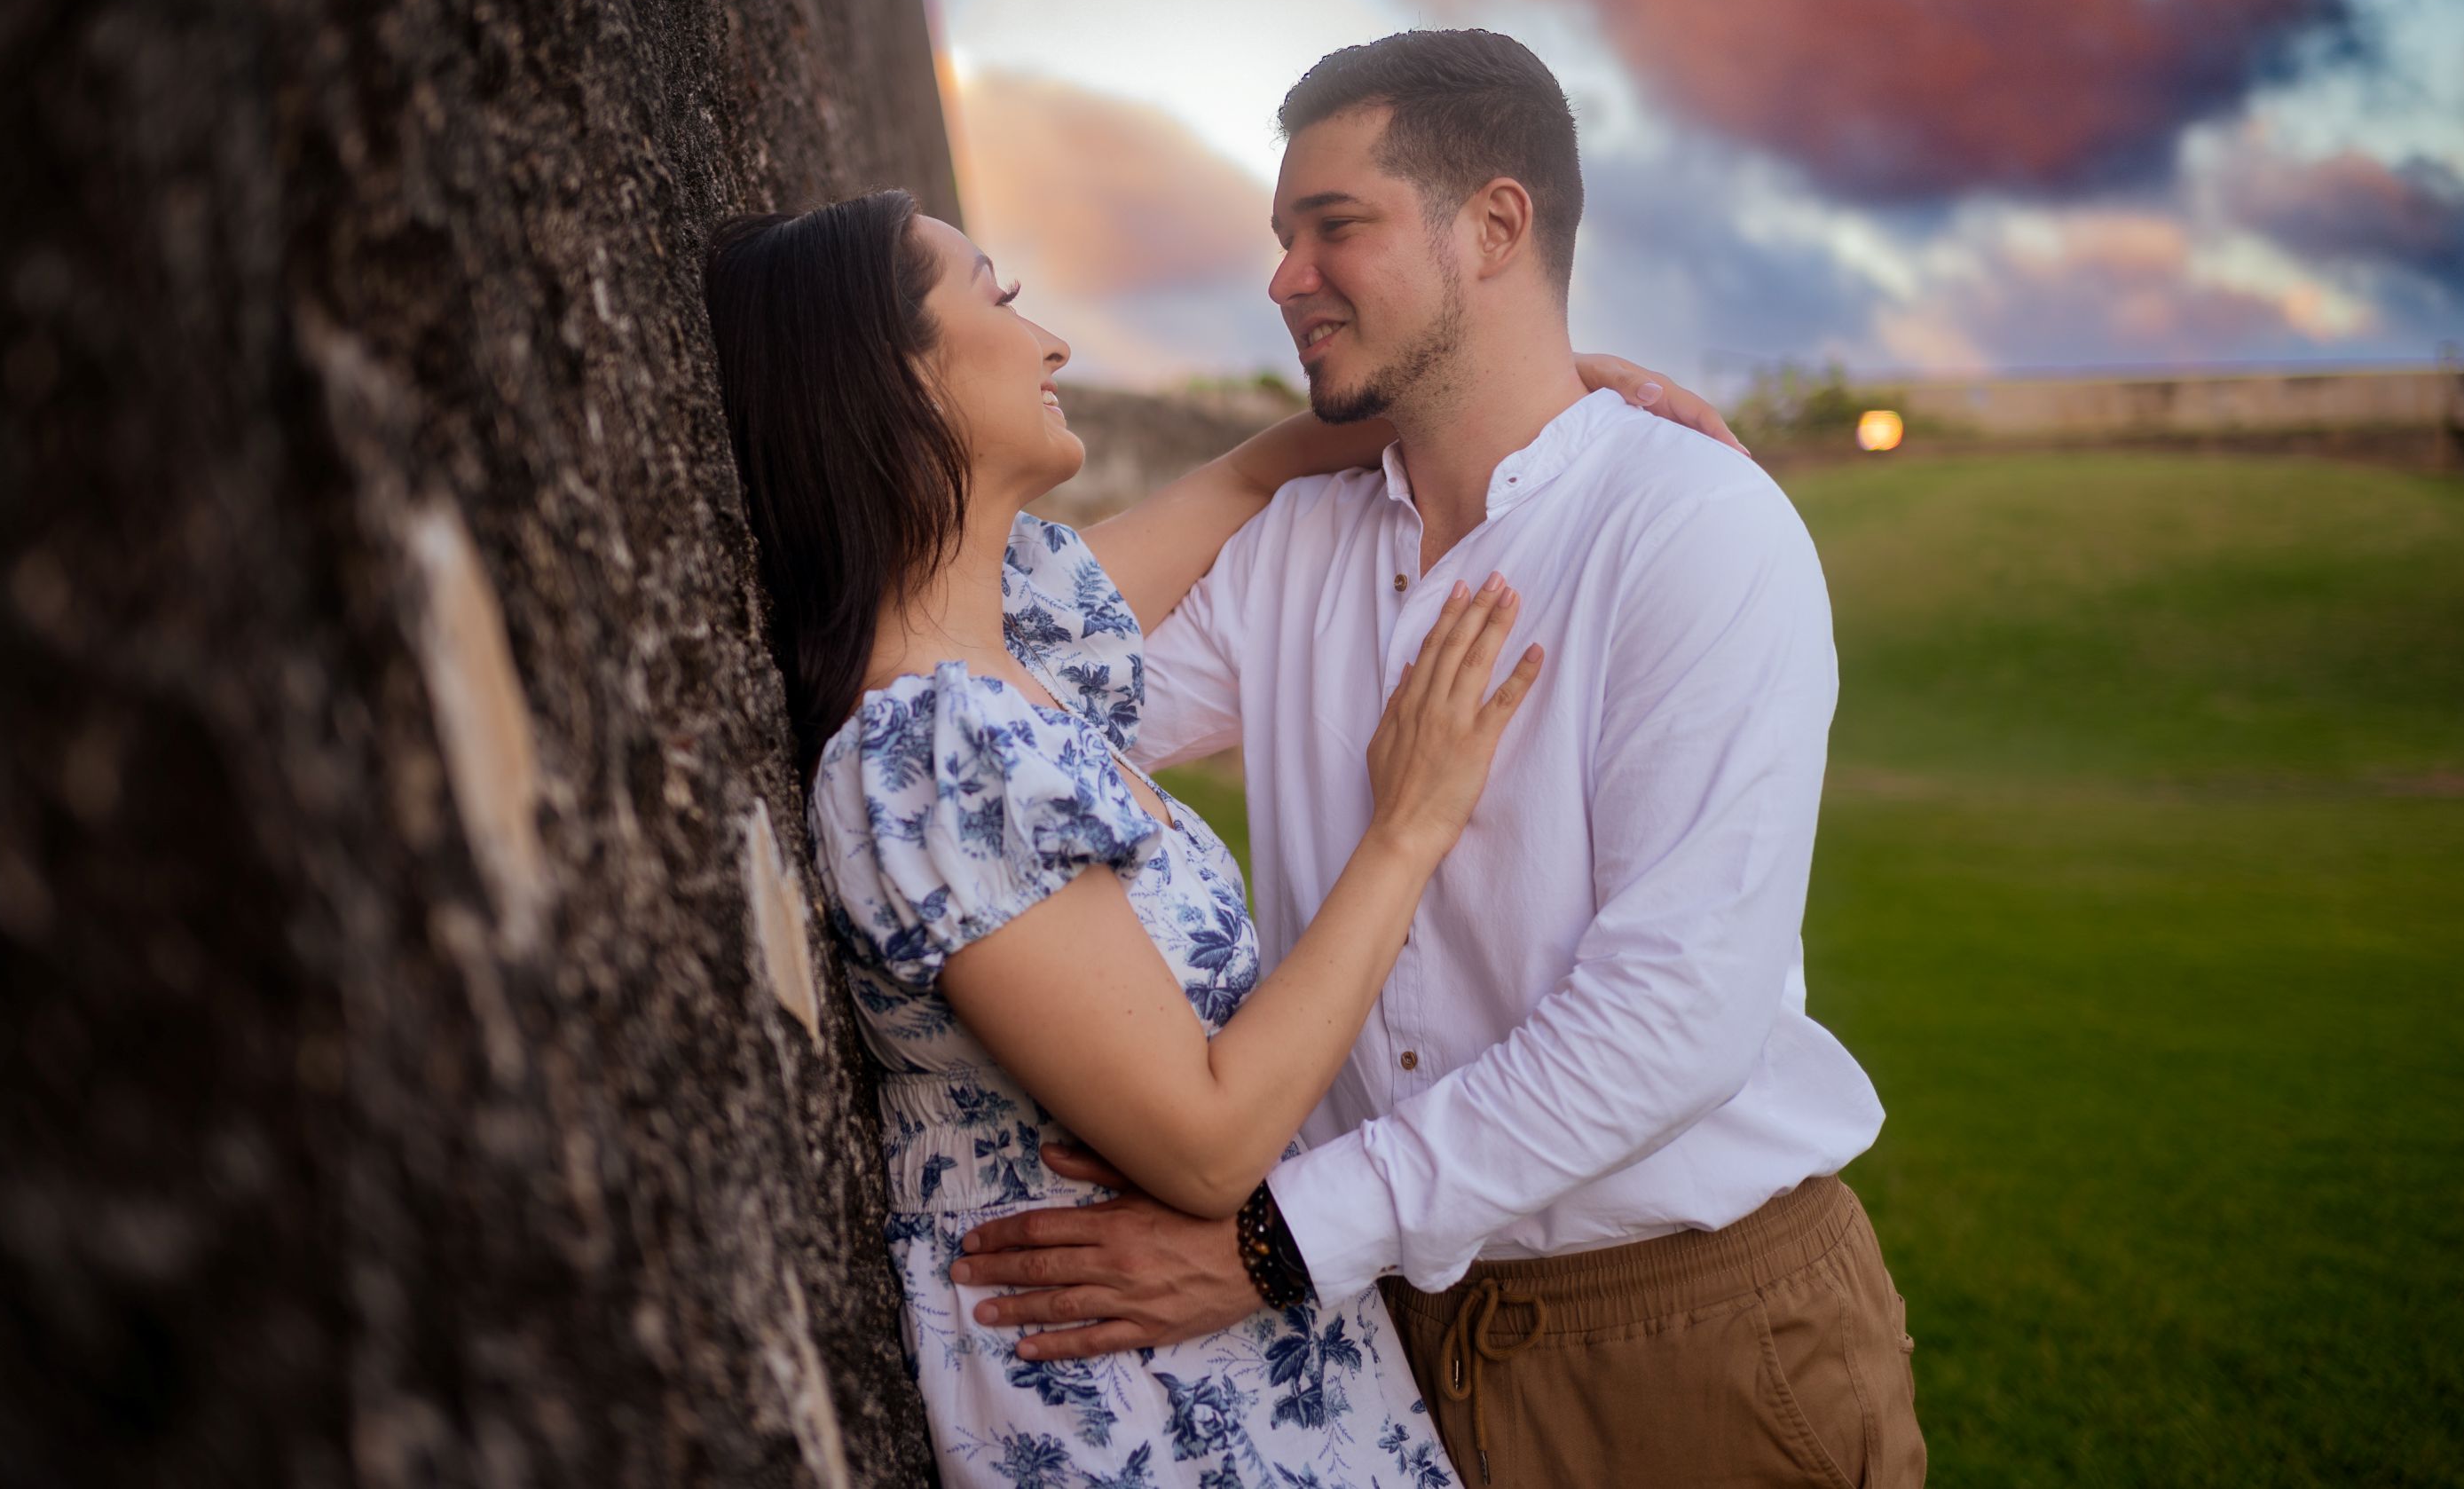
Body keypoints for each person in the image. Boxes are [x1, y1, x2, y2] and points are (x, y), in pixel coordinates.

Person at [953, 30, 1927, 1488]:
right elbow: (990, 720)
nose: (1286, 276)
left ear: (1496, 226)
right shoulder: (1292, 551)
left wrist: (1283, 1238)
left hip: (1692, 1334)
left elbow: (1676, 1013)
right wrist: (1269, 459)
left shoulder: (1690, 528)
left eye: (1334, 227)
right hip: (1388, 1350)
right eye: (1282, 236)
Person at [700, 188, 1726, 1488]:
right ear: (887, 378)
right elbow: (1206, 1138)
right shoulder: (938, 750)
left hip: (1222, 1369)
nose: (1051, 344)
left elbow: (1254, 469)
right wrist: (1408, 826)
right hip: (1141, 1408)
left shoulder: (1011, 657)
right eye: (1001, 301)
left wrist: (1525, 389)